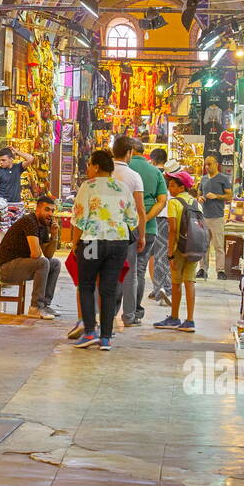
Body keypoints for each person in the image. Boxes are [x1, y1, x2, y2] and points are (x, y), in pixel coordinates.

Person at [67, 151, 137, 351]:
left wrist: (74, 243)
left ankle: (90, 331)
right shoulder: (122, 188)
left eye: (89, 165)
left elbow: (80, 218)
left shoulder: (88, 187)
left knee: (87, 285)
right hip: (118, 243)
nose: (88, 168)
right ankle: (106, 337)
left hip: (92, 242)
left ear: (96, 166)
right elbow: (132, 219)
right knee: (108, 289)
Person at [0, 194, 61, 319]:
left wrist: (54, 235)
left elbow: (49, 254)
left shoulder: (43, 226)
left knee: (55, 263)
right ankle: (35, 307)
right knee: (42, 262)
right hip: (4, 269)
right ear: (37, 209)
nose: (50, 214)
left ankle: (45, 305)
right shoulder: (29, 221)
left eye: (52, 210)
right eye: (47, 210)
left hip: (20, 265)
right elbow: (35, 254)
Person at [107, 136, 147, 329]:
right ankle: (129, 316)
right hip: (126, 231)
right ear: (129, 152)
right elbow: (140, 209)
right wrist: (142, 234)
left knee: (107, 273)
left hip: (103, 230)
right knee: (130, 274)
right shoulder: (133, 176)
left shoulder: (104, 173)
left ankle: (106, 313)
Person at [155, 170, 201, 332]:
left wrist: (170, 253)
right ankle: (190, 320)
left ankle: (174, 317)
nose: (170, 188)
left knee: (176, 283)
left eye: (173, 185)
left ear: (182, 187)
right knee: (190, 282)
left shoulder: (174, 203)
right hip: (195, 247)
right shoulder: (196, 203)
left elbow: (172, 229)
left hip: (179, 249)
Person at [126, 138, 164, 326]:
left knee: (120, 268)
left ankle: (118, 309)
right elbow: (162, 200)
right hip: (148, 228)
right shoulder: (155, 171)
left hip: (122, 227)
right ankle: (134, 311)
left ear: (130, 151)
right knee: (139, 270)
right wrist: (147, 218)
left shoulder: (123, 168)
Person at [197, 155, 232, 279]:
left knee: (218, 246)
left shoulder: (223, 178)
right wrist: (199, 198)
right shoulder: (204, 179)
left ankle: (220, 270)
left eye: (209, 164)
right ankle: (202, 269)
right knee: (203, 245)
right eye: (205, 164)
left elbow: (229, 196)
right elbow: (199, 193)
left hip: (217, 217)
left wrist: (217, 196)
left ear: (216, 164)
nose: (207, 167)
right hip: (205, 216)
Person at [147, 147, 171, 302]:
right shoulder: (171, 174)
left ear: (153, 160)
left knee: (155, 255)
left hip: (157, 216)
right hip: (170, 216)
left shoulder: (152, 174)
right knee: (165, 254)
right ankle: (163, 288)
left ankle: (160, 288)